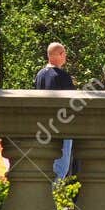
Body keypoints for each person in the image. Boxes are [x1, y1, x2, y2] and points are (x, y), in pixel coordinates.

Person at [34, 42, 77, 181]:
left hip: (43, 127)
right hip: (61, 127)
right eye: (64, 54)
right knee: (60, 169)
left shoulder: (40, 74)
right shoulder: (62, 76)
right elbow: (73, 102)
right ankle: (52, 201)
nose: (65, 57)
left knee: (44, 168)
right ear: (59, 55)